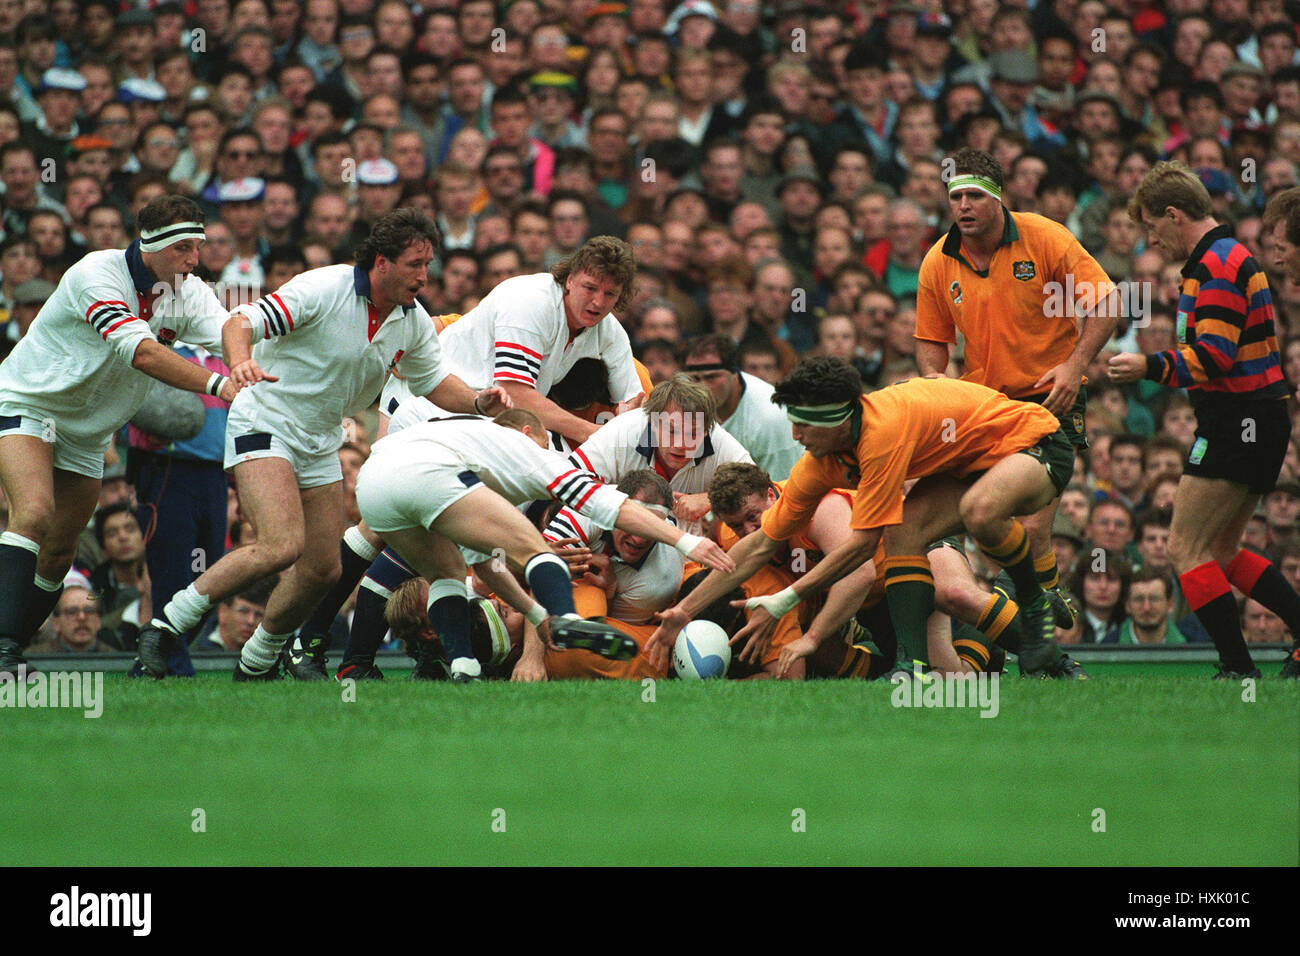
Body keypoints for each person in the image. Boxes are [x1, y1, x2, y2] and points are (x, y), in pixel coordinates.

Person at [137, 208, 511, 680]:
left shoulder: (412, 321)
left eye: (427, 263)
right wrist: (238, 365)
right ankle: (166, 626)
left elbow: (434, 381)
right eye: (415, 263)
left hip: (319, 439)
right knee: (279, 546)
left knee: (322, 570)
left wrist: (479, 401)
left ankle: (256, 664)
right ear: (381, 262)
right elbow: (238, 323)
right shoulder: (324, 287)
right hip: (264, 417)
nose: (424, 274)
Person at [646, 357, 1073, 679]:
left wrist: (788, 599)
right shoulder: (819, 462)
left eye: (803, 425)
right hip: (961, 471)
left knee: (976, 522)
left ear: (834, 419)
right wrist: (684, 610)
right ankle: (916, 666)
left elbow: (862, 552)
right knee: (907, 531)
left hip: (1032, 441)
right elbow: (758, 547)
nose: (794, 436)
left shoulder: (880, 434)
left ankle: (1034, 599)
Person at [0, 195, 236, 677]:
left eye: (199, 246)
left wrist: (251, 358)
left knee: (62, 549)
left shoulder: (188, 290)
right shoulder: (97, 274)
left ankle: (11, 652)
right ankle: (2, 648)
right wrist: (220, 383)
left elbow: (231, 329)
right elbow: (144, 354)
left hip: (88, 432)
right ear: (150, 245)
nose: (195, 260)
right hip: (29, 403)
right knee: (35, 513)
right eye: (184, 249)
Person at [353, 408, 733, 681]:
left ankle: (460, 665)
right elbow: (607, 504)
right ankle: (564, 620)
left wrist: (534, 614)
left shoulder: (471, 457)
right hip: (423, 475)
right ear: (525, 436)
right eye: (542, 441)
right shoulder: (529, 456)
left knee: (447, 575)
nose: (546, 447)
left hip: (372, 487)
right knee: (538, 554)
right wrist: (684, 539)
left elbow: (486, 566)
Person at [914, 147, 1119, 634]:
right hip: (984, 406)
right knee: (990, 526)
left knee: (1027, 526)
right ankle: (1045, 592)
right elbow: (930, 343)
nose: (963, 206)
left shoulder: (1044, 237)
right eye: (955, 196)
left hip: (1051, 397)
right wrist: (934, 383)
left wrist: (1075, 366)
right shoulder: (938, 262)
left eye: (974, 196)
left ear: (999, 198)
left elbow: (1107, 300)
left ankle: (1036, 633)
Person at [1108, 163, 1300, 679]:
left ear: (1174, 215)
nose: (1151, 238)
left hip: (1240, 417)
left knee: (1183, 547)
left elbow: (1213, 357)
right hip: (1254, 417)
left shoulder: (1215, 263)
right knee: (1222, 548)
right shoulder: (1223, 256)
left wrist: (1147, 366)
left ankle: (1237, 666)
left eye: (1152, 225)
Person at [566, 374, 755, 535]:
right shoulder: (624, 429)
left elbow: (761, 488)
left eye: (692, 434)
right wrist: (635, 500)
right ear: (653, 423)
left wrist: (711, 498)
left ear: (707, 430)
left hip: (687, 556)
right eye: (672, 431)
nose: (681, 445)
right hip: (615, 540)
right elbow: (567, 480)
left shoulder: (719, 440)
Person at [680, 334, 803, 481]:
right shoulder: (679, 395)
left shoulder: (771, 417)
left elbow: (781, 494)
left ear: (735, 374)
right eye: (694, 379)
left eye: (712, 377)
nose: (702, 388)